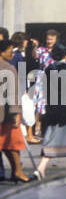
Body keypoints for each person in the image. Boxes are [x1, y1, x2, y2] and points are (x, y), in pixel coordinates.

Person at [35, 40, 66, 179]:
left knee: (52, 138)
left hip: (53, 109)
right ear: (65, 53)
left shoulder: (49, 69)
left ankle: (41, 168)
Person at [0, 37, 30, 183]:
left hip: (4, 113)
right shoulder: (8, 68)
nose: (12, 54)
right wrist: (16, 113)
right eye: (9, 51)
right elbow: (13, 94)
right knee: (11, 144)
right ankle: (17, 171)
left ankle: (17, 171)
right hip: (6, 115)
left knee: (9, 145)